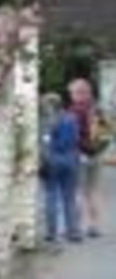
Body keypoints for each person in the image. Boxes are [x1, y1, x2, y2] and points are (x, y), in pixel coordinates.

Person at [41, 92, 82, 244]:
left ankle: (52, 233)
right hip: (71, 159)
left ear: (50, 106)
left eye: (45, 105)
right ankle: (74, 232)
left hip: (54, 160)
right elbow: (76, 139)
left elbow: (46, 144)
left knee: (51, 196)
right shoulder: (72, 118)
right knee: (70, 197)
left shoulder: (49, 122)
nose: (43, 108)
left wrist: (44, 160)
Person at [68, 78, 106, 237]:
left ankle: (80, 227)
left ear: (79, 93)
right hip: (96, 154)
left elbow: (70, 136)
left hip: (79, 154)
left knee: (78, 191)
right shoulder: (98, 109)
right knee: (94, 190)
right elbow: (106, 133)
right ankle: (94, 226)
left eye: (72, 92)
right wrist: (98, 150)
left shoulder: (73, 111)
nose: (71, 95)